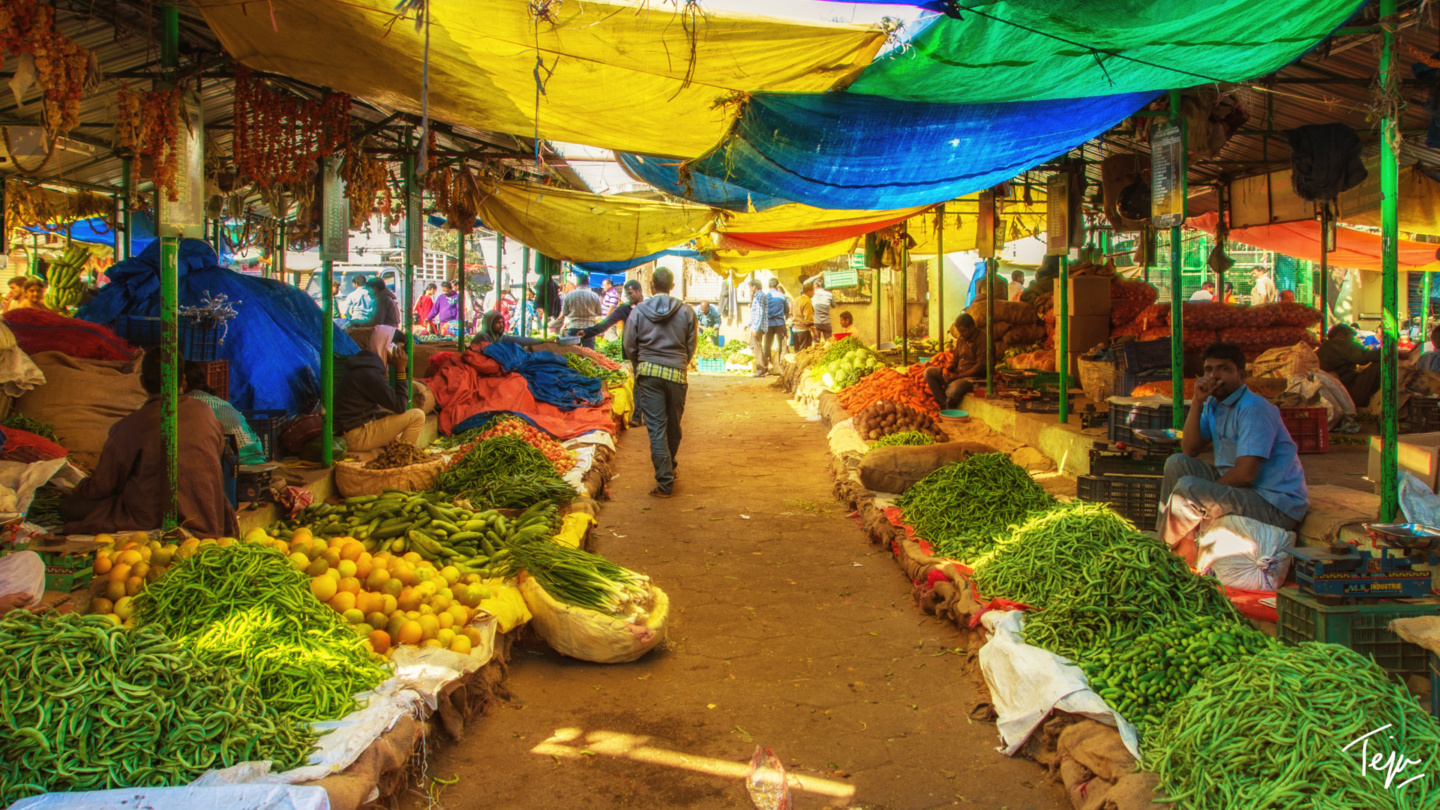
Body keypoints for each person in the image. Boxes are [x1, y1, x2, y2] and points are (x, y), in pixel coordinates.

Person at [1157, 342, 1309, 563]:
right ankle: (1175, 545)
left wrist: (1206, 495)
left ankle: (1168, 556)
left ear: (1242, 375)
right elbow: (1189, 449)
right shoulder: (1213, 404)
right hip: (1244, 490)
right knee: (1177, 463)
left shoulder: (1254, 408)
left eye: (1224, 369)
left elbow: (1246, 474)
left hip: (1273, 503)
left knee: (1189, 489)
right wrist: (1198, 401)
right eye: (1209, 370)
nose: (1214, 376)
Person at [60, 352, 239, 538]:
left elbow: (103, 486)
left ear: (143, 382)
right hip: (209, 516)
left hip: (151, 517)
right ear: (183, 380)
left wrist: (80, 486)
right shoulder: (206, 412)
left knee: (69, 507)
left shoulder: (128, 426)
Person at [623, 267, 697, 498]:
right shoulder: (686, 311)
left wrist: (641, 362)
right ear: (672, 286)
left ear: (652, 286)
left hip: (649, 375)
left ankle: (665, 481)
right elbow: (691, 344)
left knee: (657, 430)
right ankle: (669, 467)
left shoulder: (638, 312)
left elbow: (629, 345)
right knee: (673, 426)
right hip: (676, 374)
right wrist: (680, 362)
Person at [334, 348, 425, 452]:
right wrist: (400, 369)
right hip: (355, 436)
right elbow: (400, 406)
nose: (400, 357)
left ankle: (398, 454)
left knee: (399, 433)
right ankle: (402, 459)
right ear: (386, 352)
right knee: (417, 416)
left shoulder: (361, 368)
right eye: (396, 351)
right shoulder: (370, 373)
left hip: (351, 432)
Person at [184, 363, 266, 466]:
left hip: (236, 463)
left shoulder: (193, 403)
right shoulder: (214, 400)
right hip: (256, 455)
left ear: (183, 381)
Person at [924, 313, 987, 410]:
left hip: (974, 379)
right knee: (929, 372)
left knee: (953, 389)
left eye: (963, 331)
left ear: (972, 327)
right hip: (958, 375)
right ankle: (945, 407)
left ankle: (949, 409)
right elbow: (955, 359)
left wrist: (957, 376)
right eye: (959, 332)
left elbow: (980, 367)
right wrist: (949, 368)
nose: (961, 334)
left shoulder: (983, 339)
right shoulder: (961, 339)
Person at [1318, 323, 1382, 407]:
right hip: (1346, 390)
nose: (1351, 340)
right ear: (1340, 335)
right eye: (1351, 338)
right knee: (1380, 365)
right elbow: (1364, 356)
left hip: (1334, 391)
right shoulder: (1340, 344)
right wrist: (1389, 351)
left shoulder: (1324, 346)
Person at [582, 280, 644, 345]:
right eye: (627, 294)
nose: (629, 297)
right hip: (631, 348)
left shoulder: (651, 304)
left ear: (639, 290)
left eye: (630, 293)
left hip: (648, 349)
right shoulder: (624, 309)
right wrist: (587, 332)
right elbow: (607, 322)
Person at [559, 271, 603, 348]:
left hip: (573, 327)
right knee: (589, 354)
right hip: (589, 328)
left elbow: (565, 313)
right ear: (588, 282)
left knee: (573, 354)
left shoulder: (569, 295)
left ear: (577, 283)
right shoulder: (594, 296)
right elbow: (599, 312)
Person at [746, 279, 770, 377]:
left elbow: (760, 313)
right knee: (753, 345)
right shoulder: (758, 296)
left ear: (754, 287)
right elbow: (756, 313)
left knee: (757, 347)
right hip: (757, 325)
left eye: (750, 287)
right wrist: (749, 324)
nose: (750, 289)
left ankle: (761, 370)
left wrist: (755, 328)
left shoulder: (759, 296)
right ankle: (766, 366)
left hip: (758, 327)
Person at [764, 277, 789, 367]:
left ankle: (767, 365)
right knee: (783, 345)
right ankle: (783, 365)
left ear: (768, 286)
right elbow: (787, 310)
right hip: (780, 323)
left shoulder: (765, 297)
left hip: (769, 324)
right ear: (777, 286)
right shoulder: (782, 296)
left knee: (767, 345)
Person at [792, 283, 817, 352]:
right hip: (803, 330)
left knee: (797, 352)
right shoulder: (807, 301)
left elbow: (790, 313)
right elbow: (808, 319)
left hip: (794, 329)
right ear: (809, 292)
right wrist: (814, 332)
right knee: (804, 353)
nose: (813, 294)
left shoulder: (796, 299)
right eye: (813, 292)